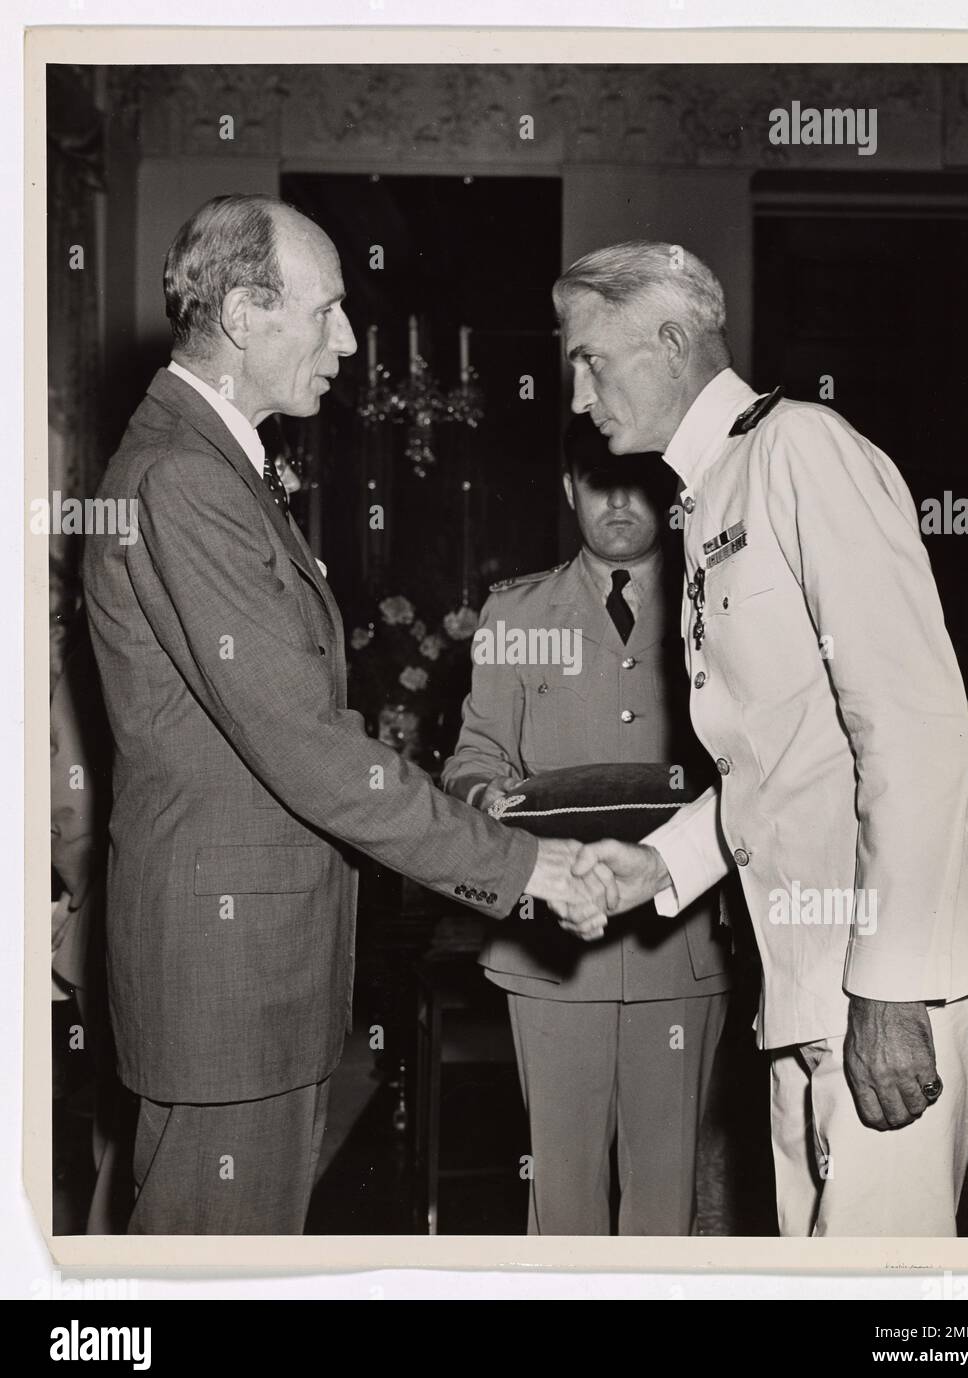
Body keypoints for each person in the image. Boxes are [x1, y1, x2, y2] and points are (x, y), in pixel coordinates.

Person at [82, 194, 606, 1236]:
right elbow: (306, 746)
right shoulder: (185, 477)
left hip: (254, 971)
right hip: (226, 982)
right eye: (323, 311)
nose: (350, 338)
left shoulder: (215, 464)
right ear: (242, 313)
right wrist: (523, 865)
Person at [558, 240, 968, 1237]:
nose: (579, 396)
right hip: (807, 983)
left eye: (593, 360)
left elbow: (914, 722)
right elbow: (787, 760)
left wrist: (890, 990)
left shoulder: (801, 448)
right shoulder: (711, 489)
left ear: (672, 337)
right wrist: (650, 868)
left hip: (893, 975)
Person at [443, 418, 732, 1235]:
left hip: (679, 941)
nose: (617, 501)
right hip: (551, 941)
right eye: (597, 481)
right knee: (560, 1189)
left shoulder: (715, 600)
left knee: (665, 1194)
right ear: (568, 488)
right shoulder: (513, 612)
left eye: (638, 482)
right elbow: (473, 754)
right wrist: (483, 799)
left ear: (672, 495)